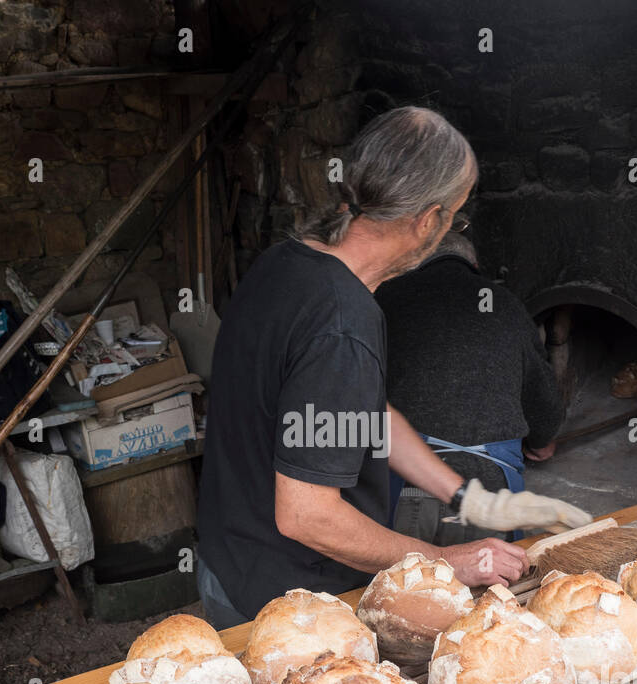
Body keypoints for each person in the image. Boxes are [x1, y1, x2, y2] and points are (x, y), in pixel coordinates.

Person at [195, 106, 590, 629]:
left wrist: (467, 497)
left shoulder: (284, 262)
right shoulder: (343, 321)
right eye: (456, 215)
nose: (451, 224)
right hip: (284, 606)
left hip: (227, 563)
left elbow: (363, 413)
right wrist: (449, 562)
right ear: (429, 221)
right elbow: (307, 514)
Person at [377, 231, 563, 546]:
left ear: (414, 260)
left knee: (401, 590)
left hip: (404, 492)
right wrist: (541, 441)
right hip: (489, 498)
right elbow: (543, 410)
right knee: (492, 594)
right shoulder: (505, 304)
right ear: (474, 264)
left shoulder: (384, 298)